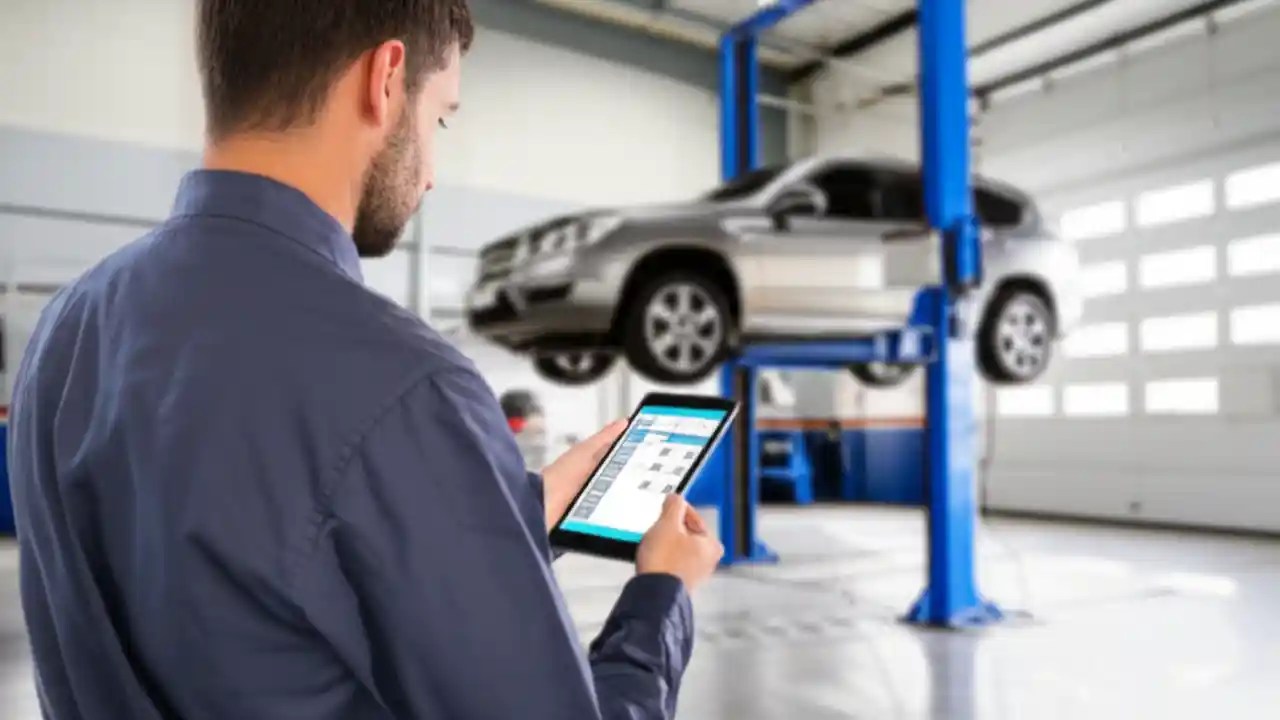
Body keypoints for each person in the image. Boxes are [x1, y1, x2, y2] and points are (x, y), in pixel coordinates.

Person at [7, 1, 723, 718]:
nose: (434, 173)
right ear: (385, 79)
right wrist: (662, 595)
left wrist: (512, 508)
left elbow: (257, 567)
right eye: (440, 118)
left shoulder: (65, 333)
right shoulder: (404, 385)